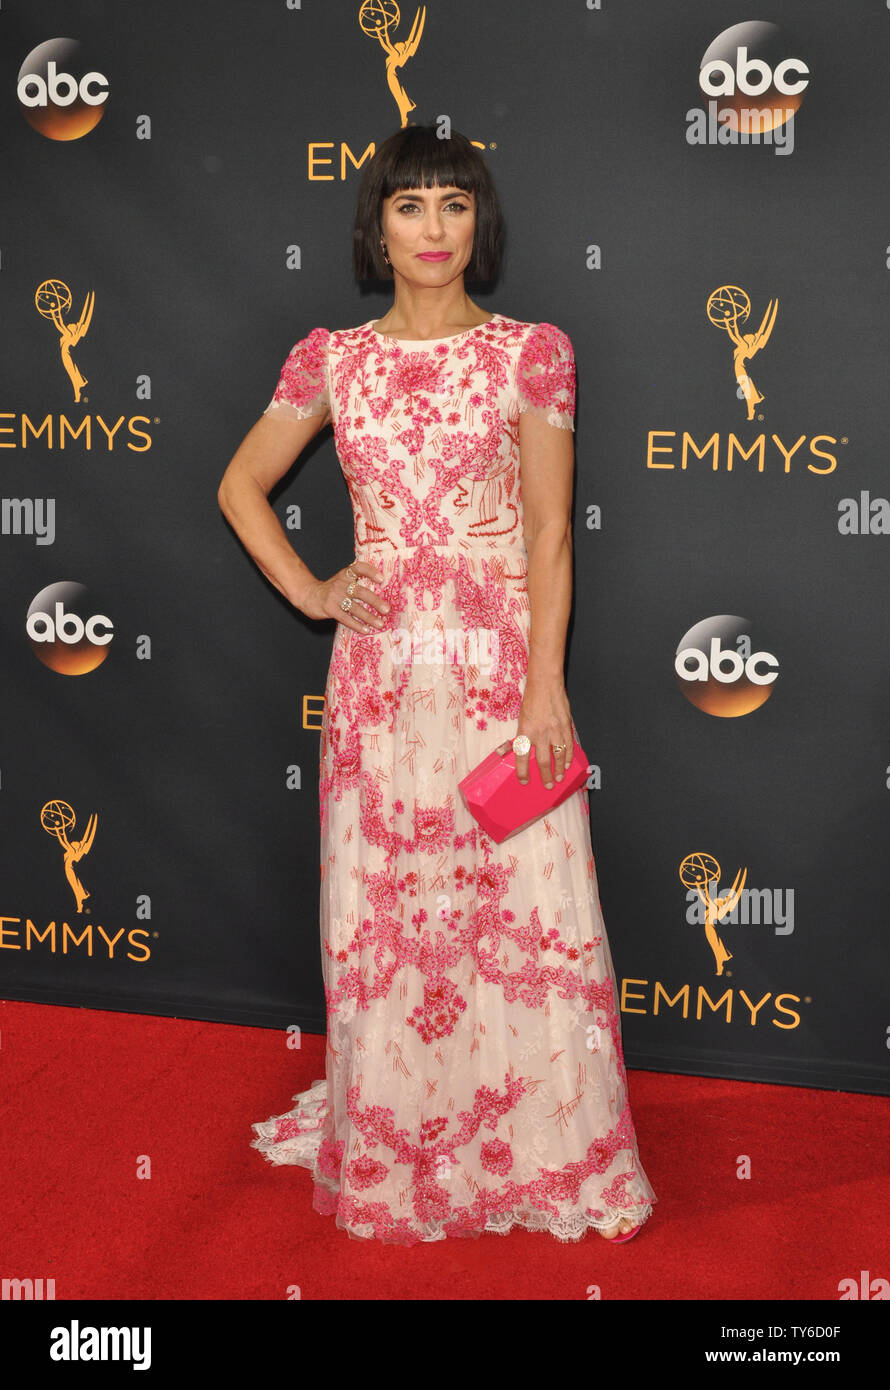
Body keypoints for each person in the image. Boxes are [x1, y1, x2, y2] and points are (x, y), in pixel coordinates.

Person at [218, 124, 657, 1245]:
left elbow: (552, 533)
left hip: (496, 676)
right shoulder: (335, 359)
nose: (432, 229)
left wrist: (543, 687)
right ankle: (405, 1123)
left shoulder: (529, 354)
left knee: (520, 909)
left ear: (479, 225)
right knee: (392, 914)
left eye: (453, 206)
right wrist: (315, 591)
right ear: (375, 225)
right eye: (409, 206)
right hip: (377, 682)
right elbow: (240, 486)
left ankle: (540, 1139)